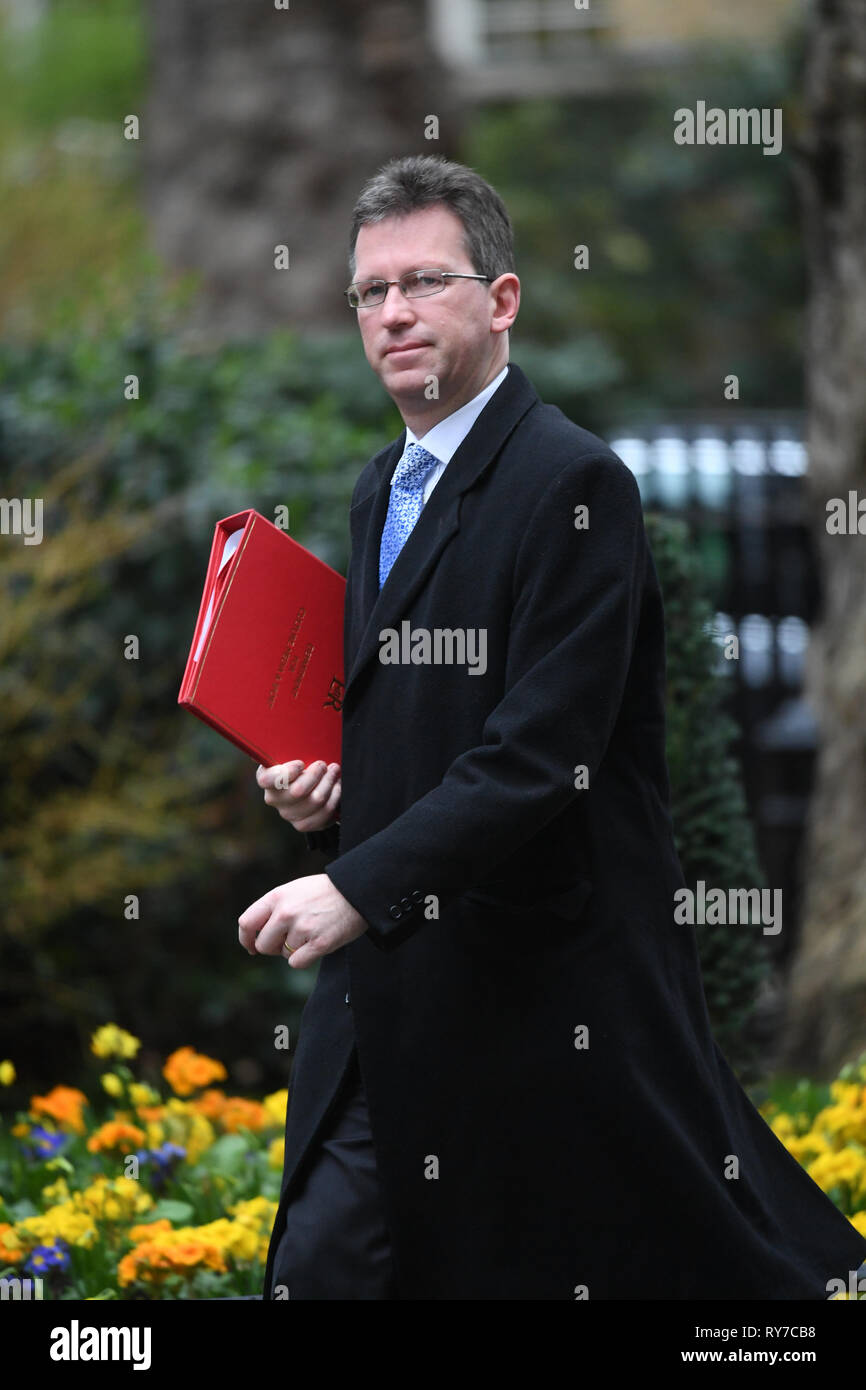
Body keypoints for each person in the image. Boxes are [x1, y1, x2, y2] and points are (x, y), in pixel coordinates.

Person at [237, 153, 866, 1300]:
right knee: (327, 1263)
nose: (393, 314)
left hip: (536, 993)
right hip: (400, 981)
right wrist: (329, 791)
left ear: (502, 299)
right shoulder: (384, 484)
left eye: (424, 281)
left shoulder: (576, 482)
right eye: (370, 293)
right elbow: (418, 721)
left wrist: (356, 885)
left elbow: (543, 755)